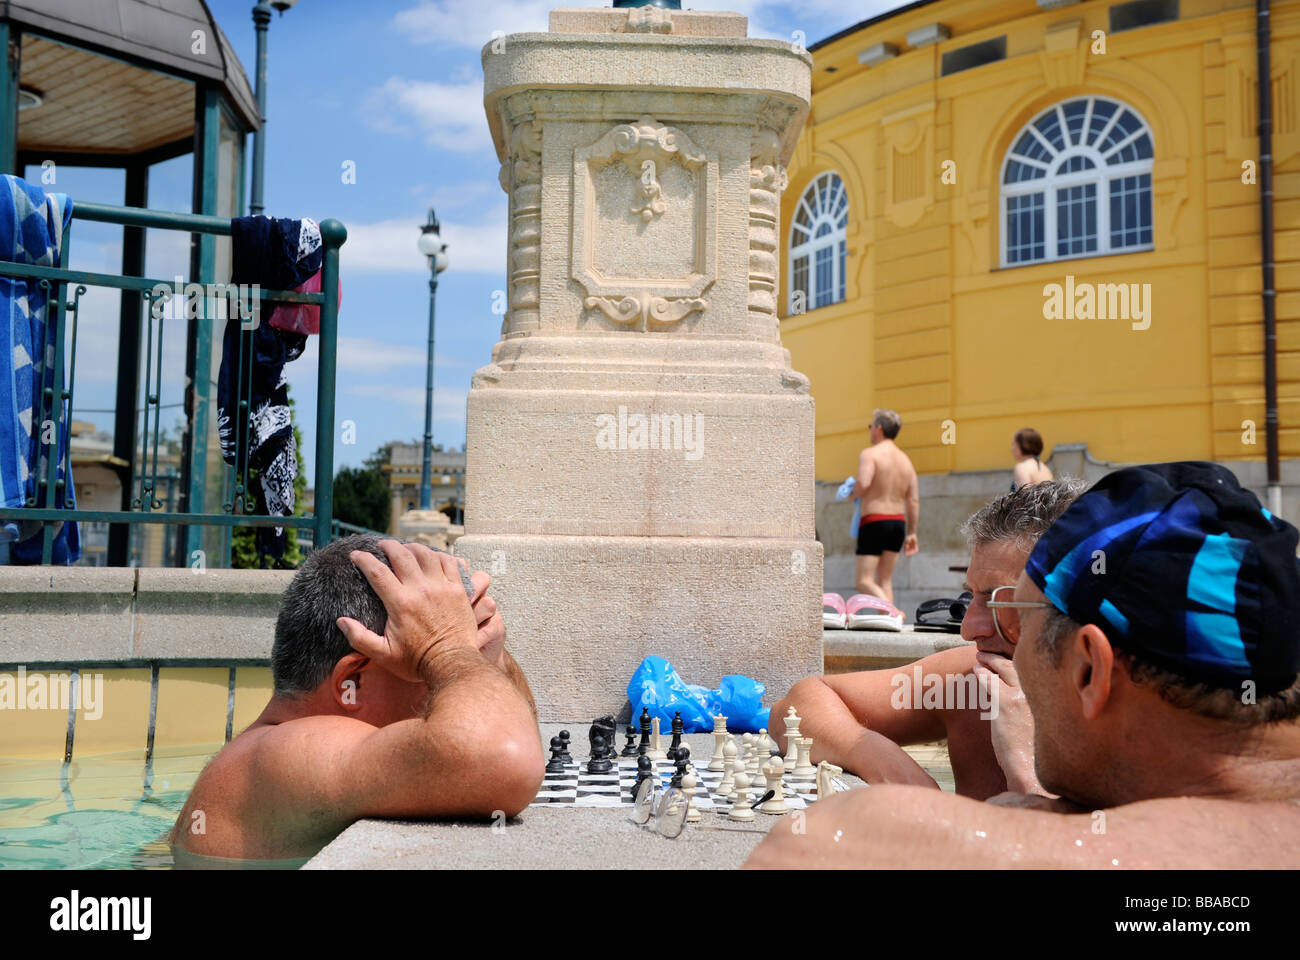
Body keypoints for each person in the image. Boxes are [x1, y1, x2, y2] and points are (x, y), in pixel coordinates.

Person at [749, 462, 1300, 868]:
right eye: (971, 598)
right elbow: (804, 700)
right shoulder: (972, 680)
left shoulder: (861, 844)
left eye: (1017, 612)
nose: (969, 628)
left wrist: (1027, 804)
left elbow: (807, 849)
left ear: (1089, 669)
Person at [170, 535, 544, 866]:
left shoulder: (287, 745)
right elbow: (505, 758)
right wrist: (445, 647)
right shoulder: (285, 751)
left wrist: (481, 655)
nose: (443, 683)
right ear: (353, 681)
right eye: (425, 667)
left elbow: (513, 732)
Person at [774, 479, 1085, 799]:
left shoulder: (1127, 723)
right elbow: (795, 707)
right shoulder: (969, 686)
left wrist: (1025, 776)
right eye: (971, 597)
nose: (968, 628)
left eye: (1001, 603)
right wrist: (878, 756)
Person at [851, 409, 919, 605]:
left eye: (870, 426)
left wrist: (851, 493)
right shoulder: (906, 460)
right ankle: (890, 621)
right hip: (898, 523)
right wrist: (912, 533)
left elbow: (863, 483)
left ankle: (891, 612)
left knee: (864, 581)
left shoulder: (870, 454)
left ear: (878, 428)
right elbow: (913, 499)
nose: (870, 430)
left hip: (874, 520)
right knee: (885, 580)